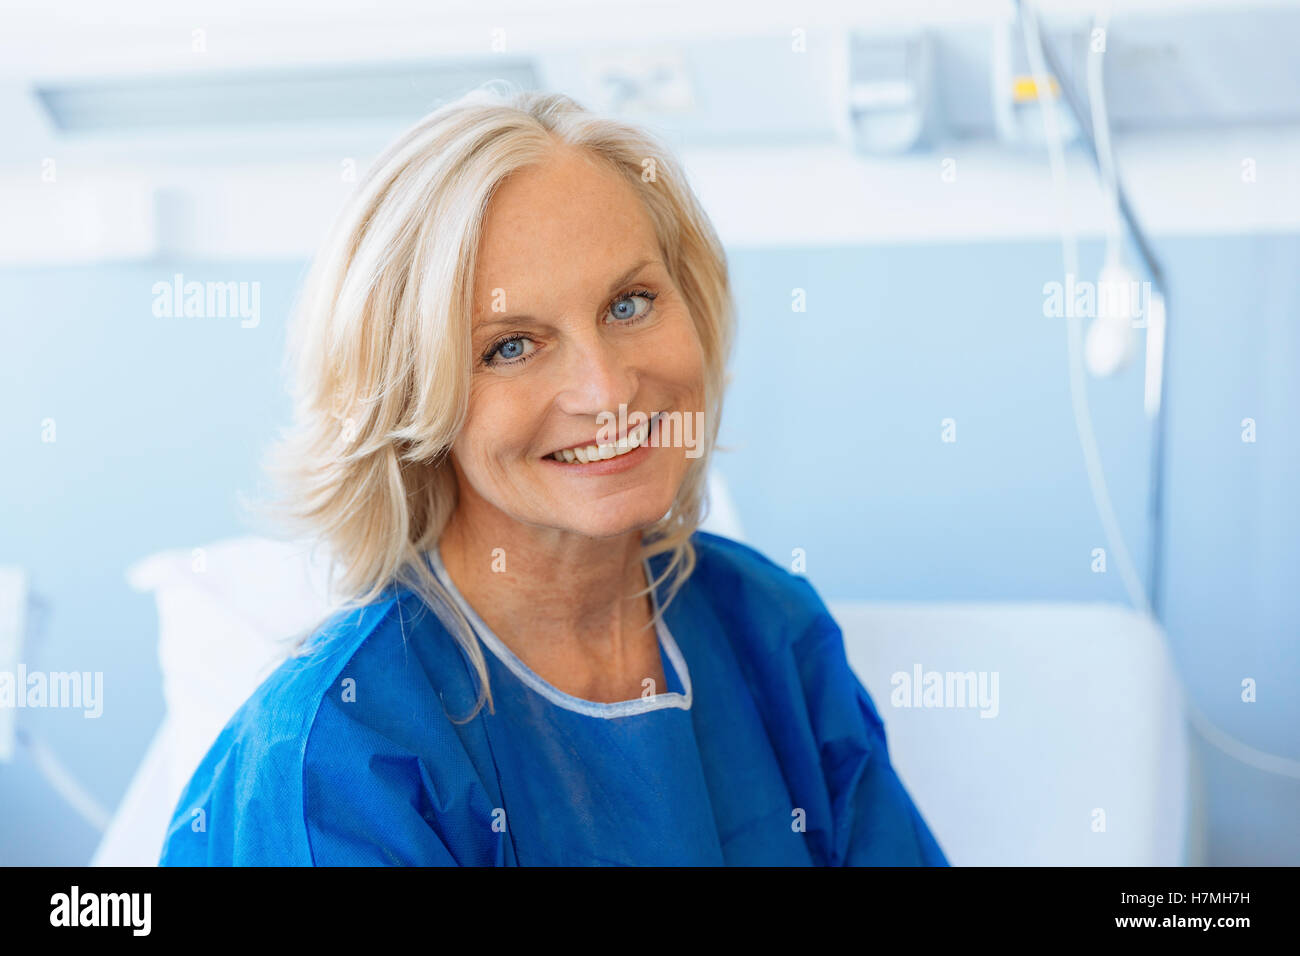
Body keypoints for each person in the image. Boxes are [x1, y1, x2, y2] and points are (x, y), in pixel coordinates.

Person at [158, 84, 948, 866]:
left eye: (630, 303)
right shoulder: (342, 761)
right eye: (512, 346)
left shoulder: (769, 632)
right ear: (413, 400)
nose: (606, 390)